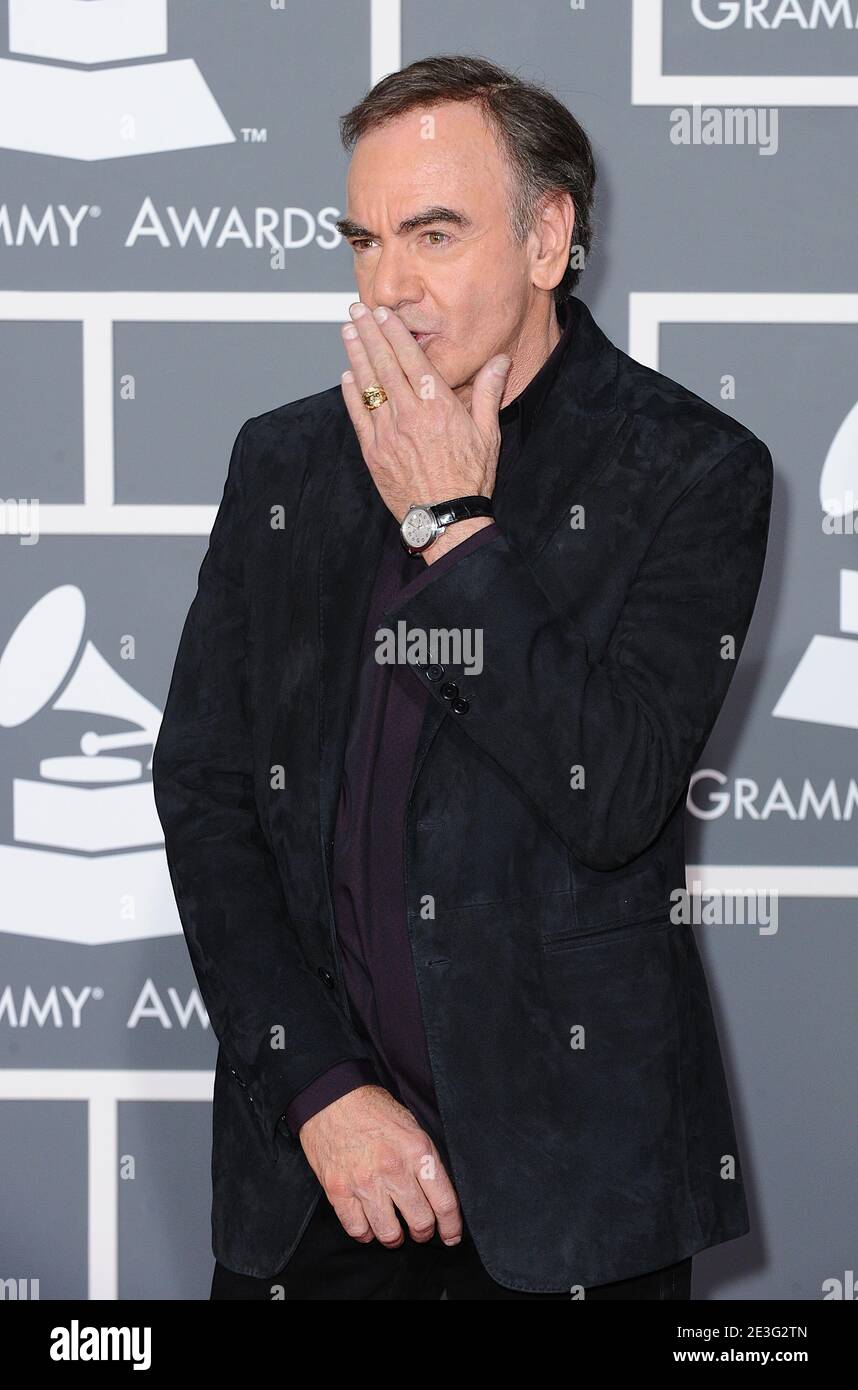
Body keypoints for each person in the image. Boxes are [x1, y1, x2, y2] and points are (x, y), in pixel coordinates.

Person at [152, 54, 773, 1301]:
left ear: (549, 237)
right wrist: (320, 1092)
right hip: (316, 1189)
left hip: (571, 1207)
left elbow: (614, 791)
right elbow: (207, 793)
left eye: (434, 233)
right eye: (366, 240)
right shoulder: (282, 463)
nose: (390, 285)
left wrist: (450, 523)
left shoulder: (693, 472)